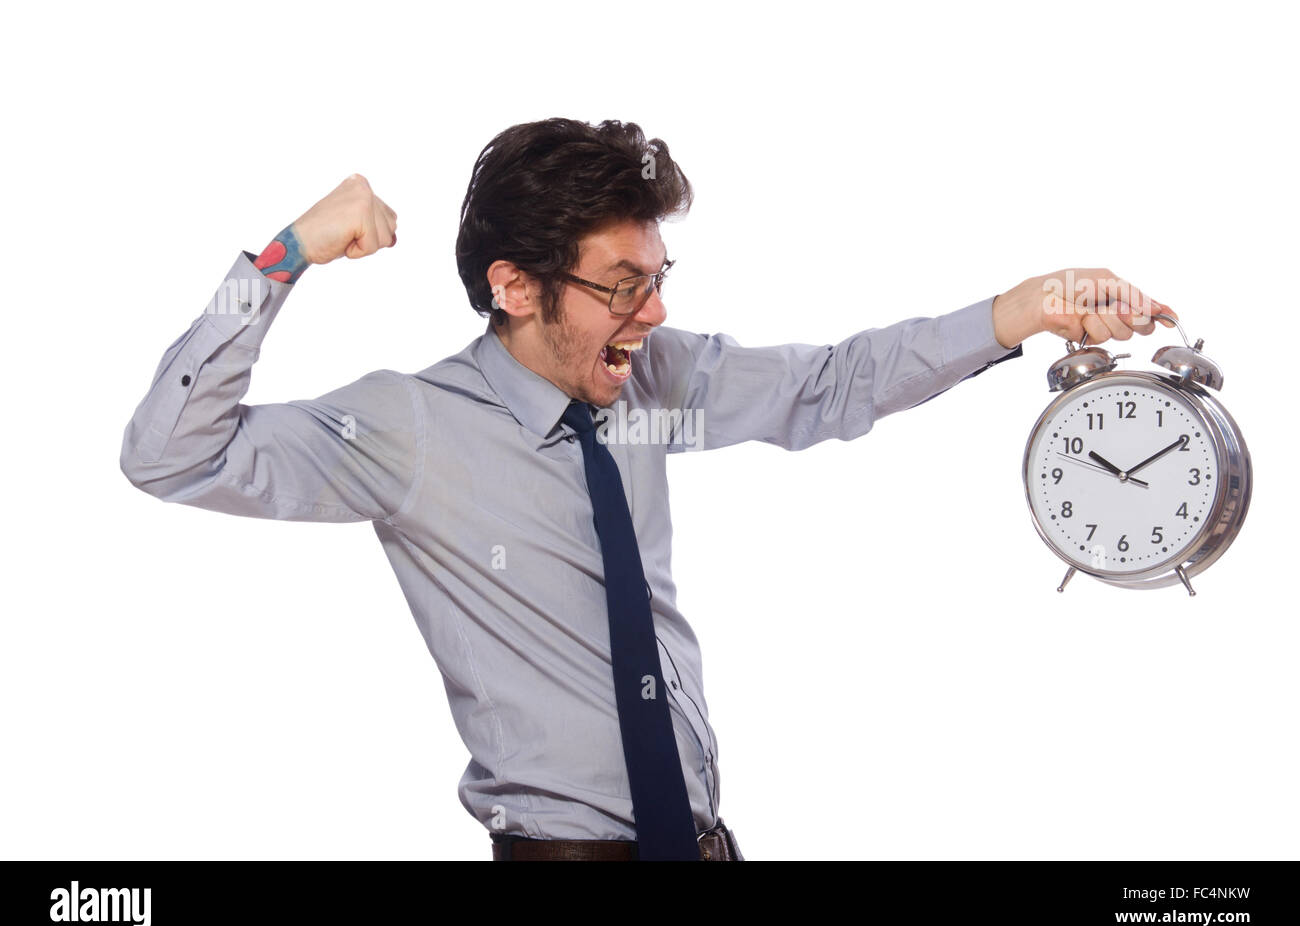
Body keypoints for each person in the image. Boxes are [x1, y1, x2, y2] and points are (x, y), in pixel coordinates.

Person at [119, 118, 1175, 861]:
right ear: (514, 286)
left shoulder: (649, 387)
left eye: (659, 277)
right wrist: (279, 257)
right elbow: (169, 451)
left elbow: (828, 384)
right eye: (623, 286)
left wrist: (1024, 306)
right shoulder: (409, 431)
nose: (655, 313)